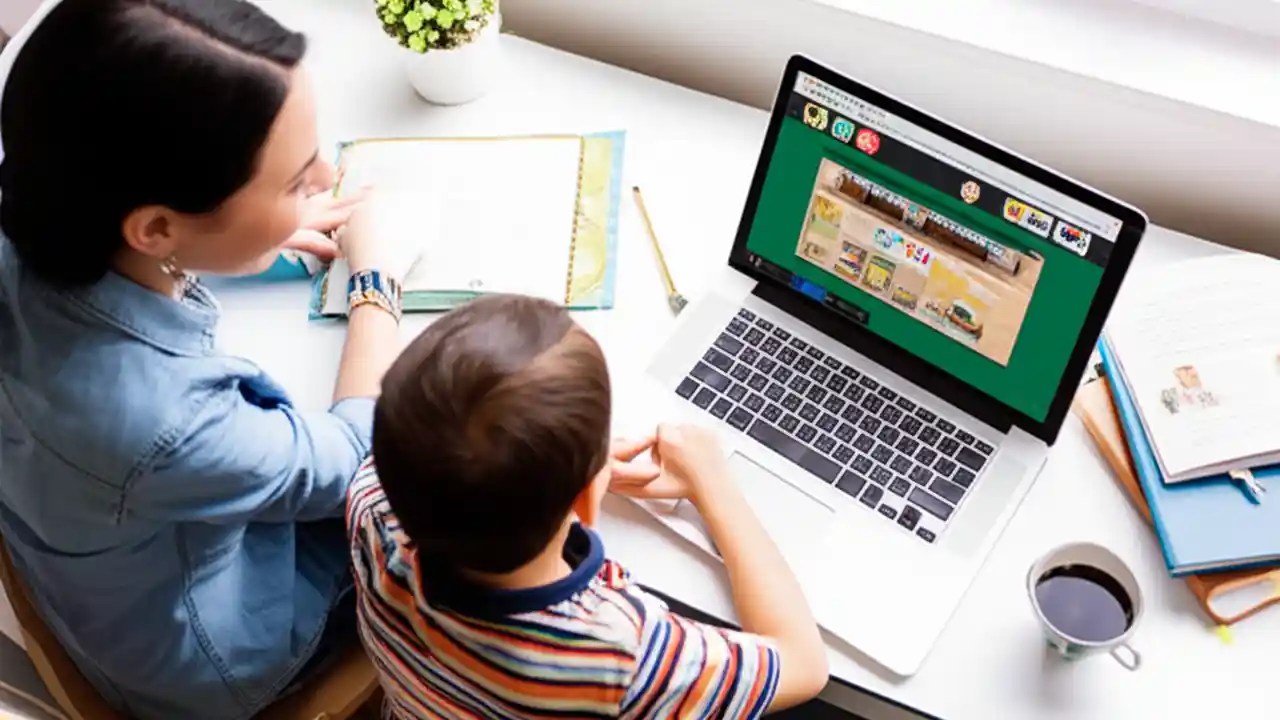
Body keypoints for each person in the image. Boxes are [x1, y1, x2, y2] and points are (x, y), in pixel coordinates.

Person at [0, 1, 414, 717]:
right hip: (218, 660)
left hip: (86, 564)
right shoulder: (168, 420)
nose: (323, 177)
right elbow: (351, 461)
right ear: (155, 225)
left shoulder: (39, 206)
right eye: (291, 181)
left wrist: (233, 240)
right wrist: (376, 279)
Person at [348, 294, 829, 719]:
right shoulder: (625, 659)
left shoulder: (369, 504)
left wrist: (556, 473)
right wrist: (715, 484)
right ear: (585, 503)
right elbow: (805, 666)